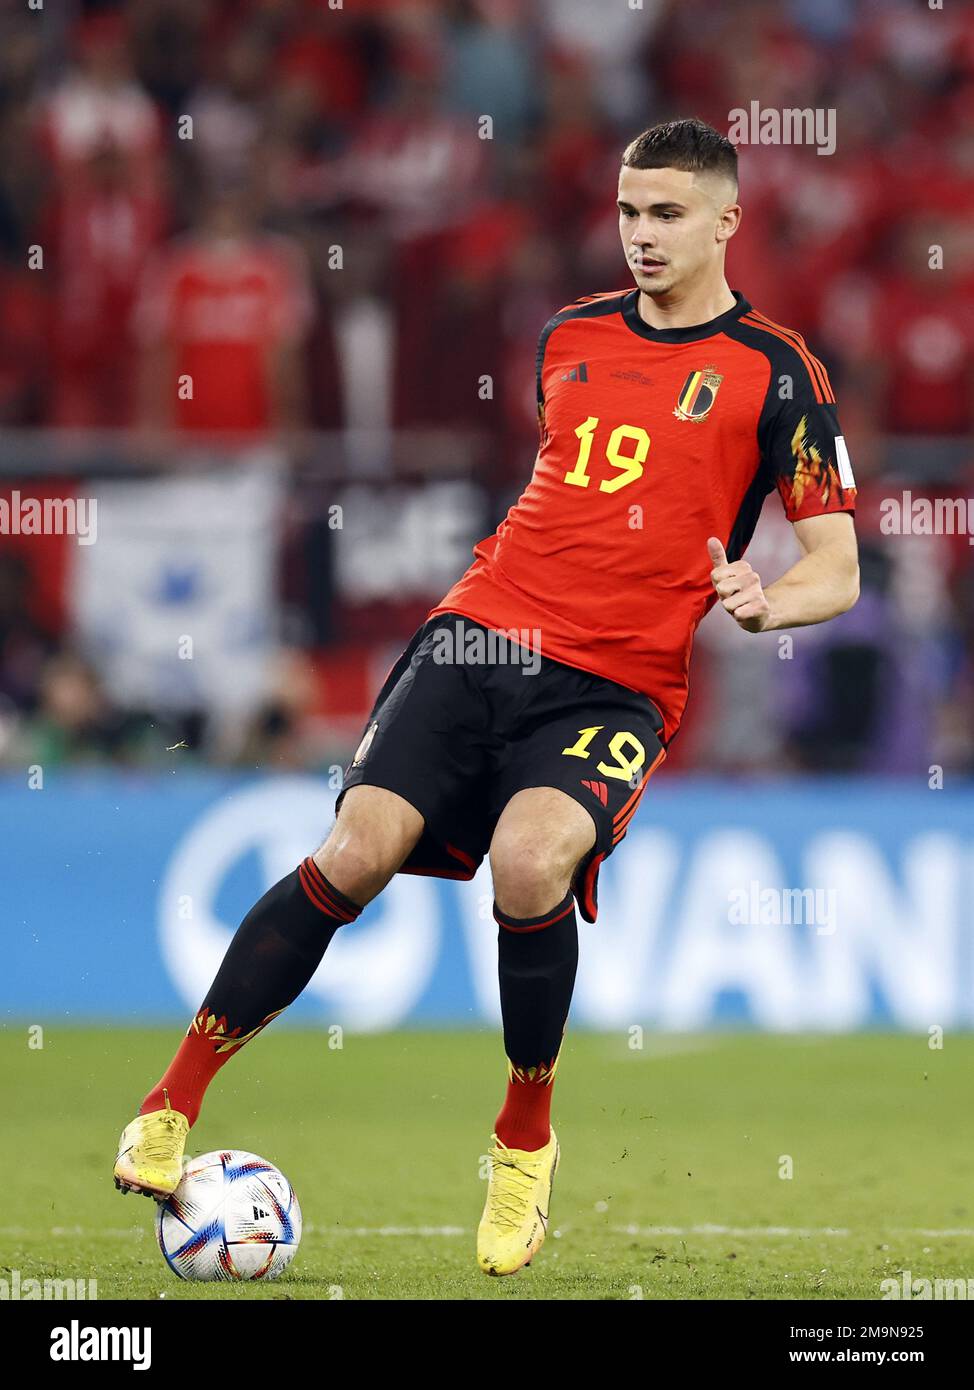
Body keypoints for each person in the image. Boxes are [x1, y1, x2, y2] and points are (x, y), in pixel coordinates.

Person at [113, 118, 859, 1278]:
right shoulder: (567, 339)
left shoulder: (779, 373)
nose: (641, 235)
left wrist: (768, 600)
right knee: (354, 848)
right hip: (480, 631)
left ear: (725, 221)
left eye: (666, 214)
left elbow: (837, 566)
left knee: (529, 862)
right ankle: (170, 1101)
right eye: (626, 212)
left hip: (614, 683)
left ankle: (522, 1141)